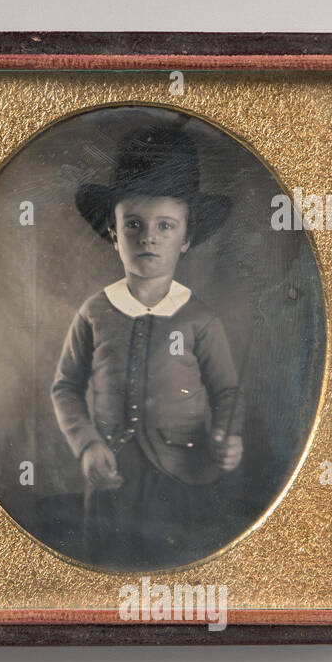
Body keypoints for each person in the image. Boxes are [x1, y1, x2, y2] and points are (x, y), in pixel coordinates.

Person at [51, 126, 244, 571]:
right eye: (133, 225)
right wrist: (87, 445)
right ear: (113, 232)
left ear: (187, 238)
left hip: (184, 481)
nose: (148, 238)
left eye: (165, 226)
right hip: (112, 480)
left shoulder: (200, 319)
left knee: (179, 569)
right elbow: (65, 388)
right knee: (108, 567)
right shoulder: (94, 312)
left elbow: (228, 392)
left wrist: (228, 434)